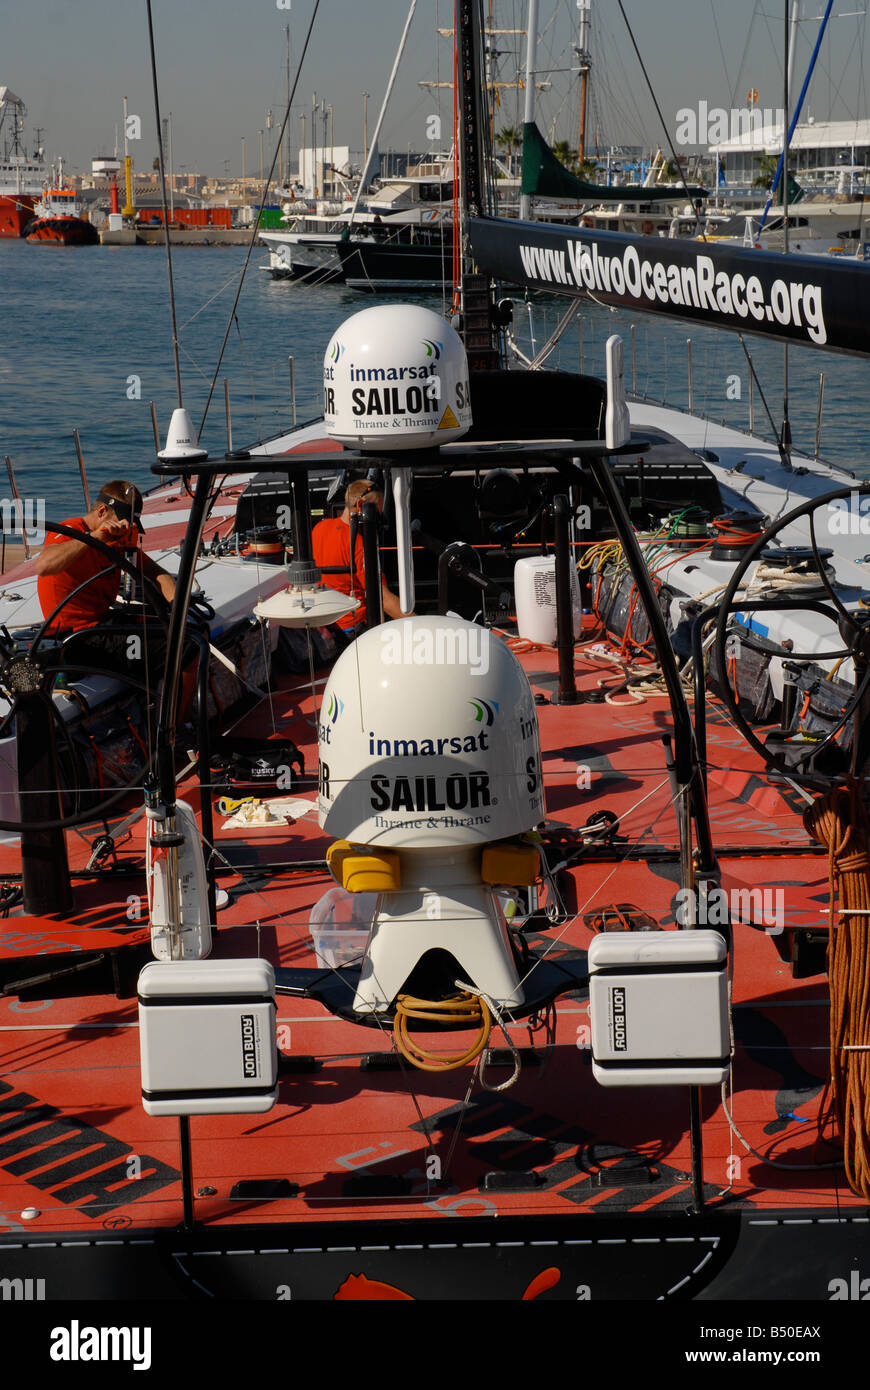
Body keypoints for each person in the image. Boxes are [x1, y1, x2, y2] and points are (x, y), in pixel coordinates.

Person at [36, 480, 175, 636]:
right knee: (184, 645)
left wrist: (176, 604)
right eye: (121, 524)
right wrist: (96, 537)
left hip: (102, 623)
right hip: (77, 634)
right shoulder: (70, 531)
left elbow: (154, 572)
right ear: (102, 511)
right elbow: (43, 566)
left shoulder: (115, 540)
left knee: (181, 629)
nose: (125, 530)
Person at [312, 479, 405, 640]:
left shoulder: (319, 528)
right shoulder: (360, 545)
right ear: (362, 506)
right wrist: (423, 626)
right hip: (355, 630)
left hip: (326, 627)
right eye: (377, 511)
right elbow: (383, 599)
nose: (380, 518)